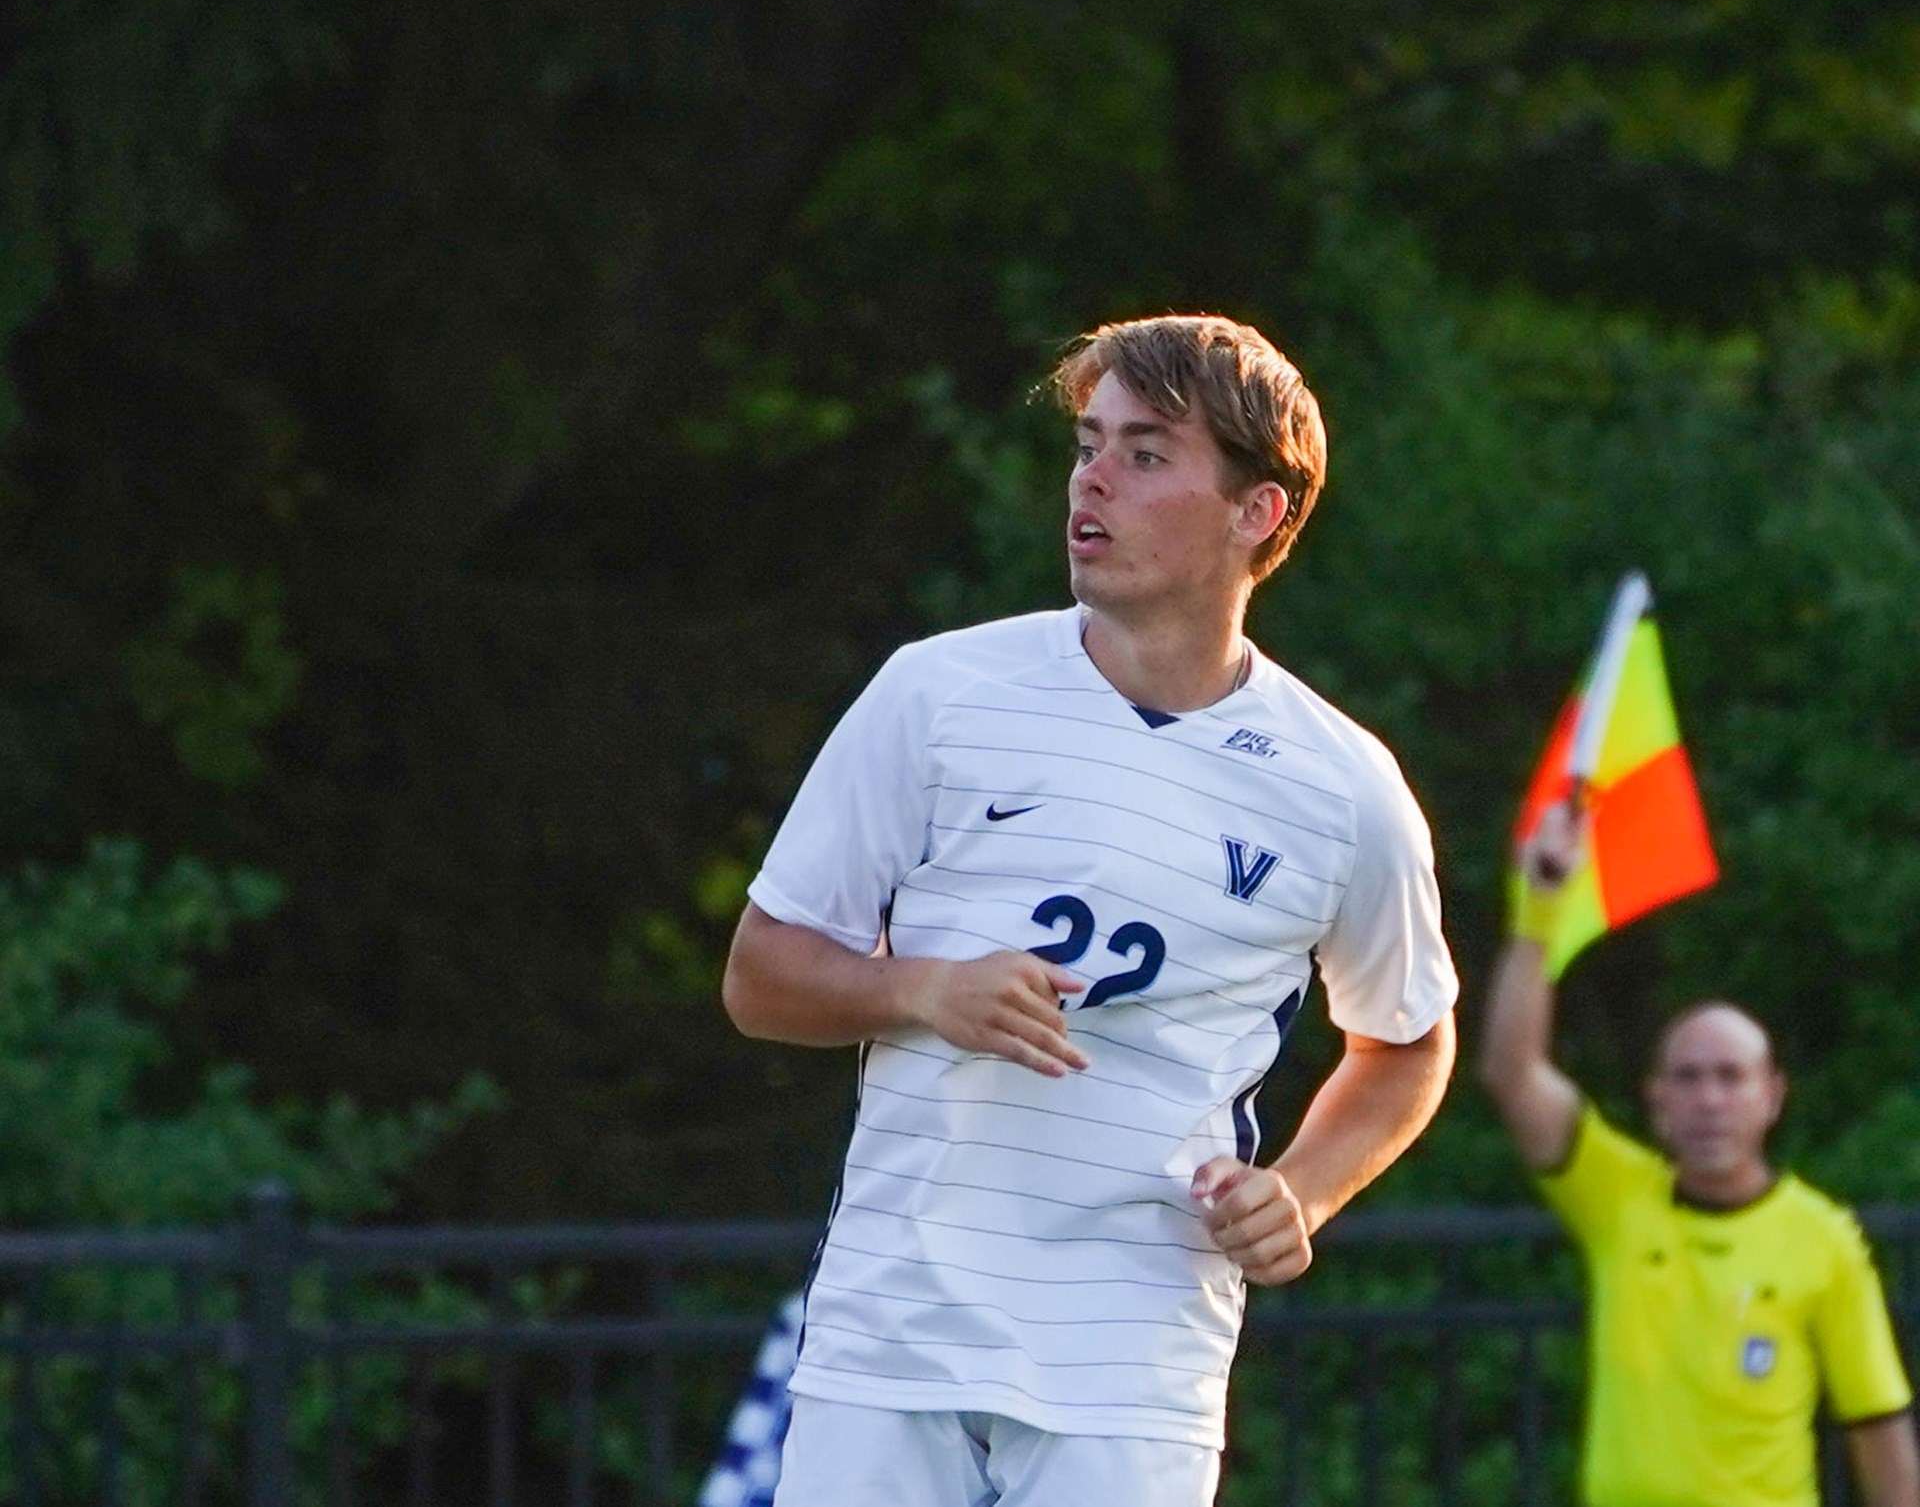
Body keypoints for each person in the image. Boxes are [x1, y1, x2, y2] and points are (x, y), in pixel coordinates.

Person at [721, 313, 1459, 1507]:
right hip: (890, 1336)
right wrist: (920, 986)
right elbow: (760, 975)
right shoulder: (936, 693)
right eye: (1088, 444)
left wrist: (1305, 1189)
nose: (1093, 480)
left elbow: (1410, 1039)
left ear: (1256, 512)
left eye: (1147, 452)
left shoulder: (1344, 785)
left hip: (1133, 1360)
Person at [1480, 800, 1919, 1507]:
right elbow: (1512, 1070)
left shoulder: (1824, 1239)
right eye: (1688, 1078)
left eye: (1730, 1077)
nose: (1709, 1099)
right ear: (1657, 1098)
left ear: (1772, 1094)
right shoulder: (1618, 1195)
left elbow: (1877, 1422)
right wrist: (1540, 912)